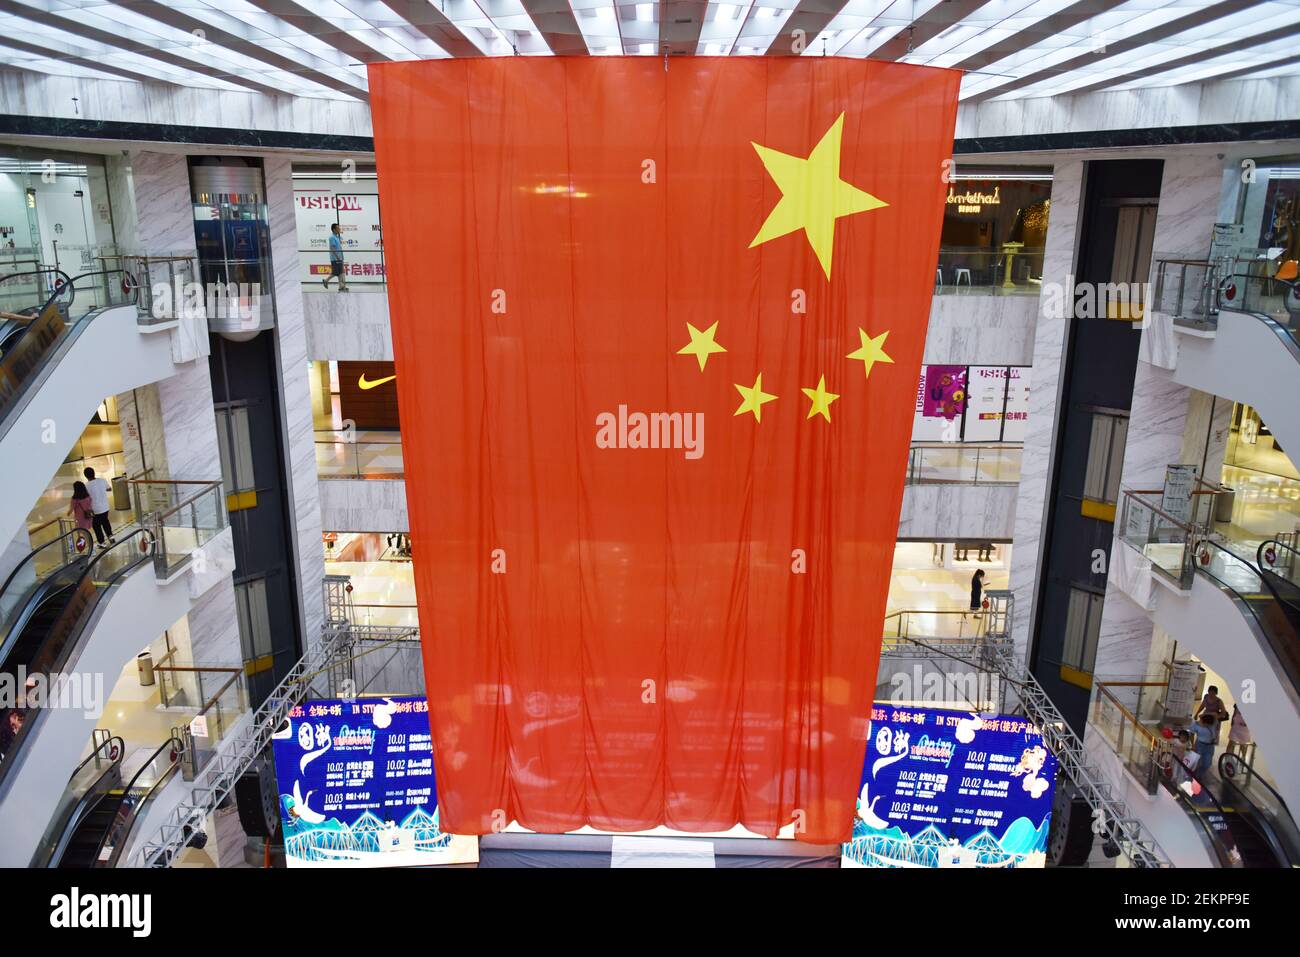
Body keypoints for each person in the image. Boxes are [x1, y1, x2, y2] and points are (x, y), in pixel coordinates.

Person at [82, 466, 114, 547]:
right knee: (105, 521)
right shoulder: (102, 480)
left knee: (96, 526)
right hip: (105, 507)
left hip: (95, 510)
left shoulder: (86, 486)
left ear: (86, 476)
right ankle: (111, 537)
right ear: (94, 473)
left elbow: (85, 498)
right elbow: (109, 489)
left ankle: (102, 542)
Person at [323, 222, 348, 292]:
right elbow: (332, 248)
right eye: (338, 228)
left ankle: (341, 287)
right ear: (334, 229)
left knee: (341, 272)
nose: (339, 229)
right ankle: (326, 280)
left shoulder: (337, 237)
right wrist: (337, 257)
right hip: (335, 258)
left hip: (340, 257)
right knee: (337, 272)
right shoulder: (332, 238)